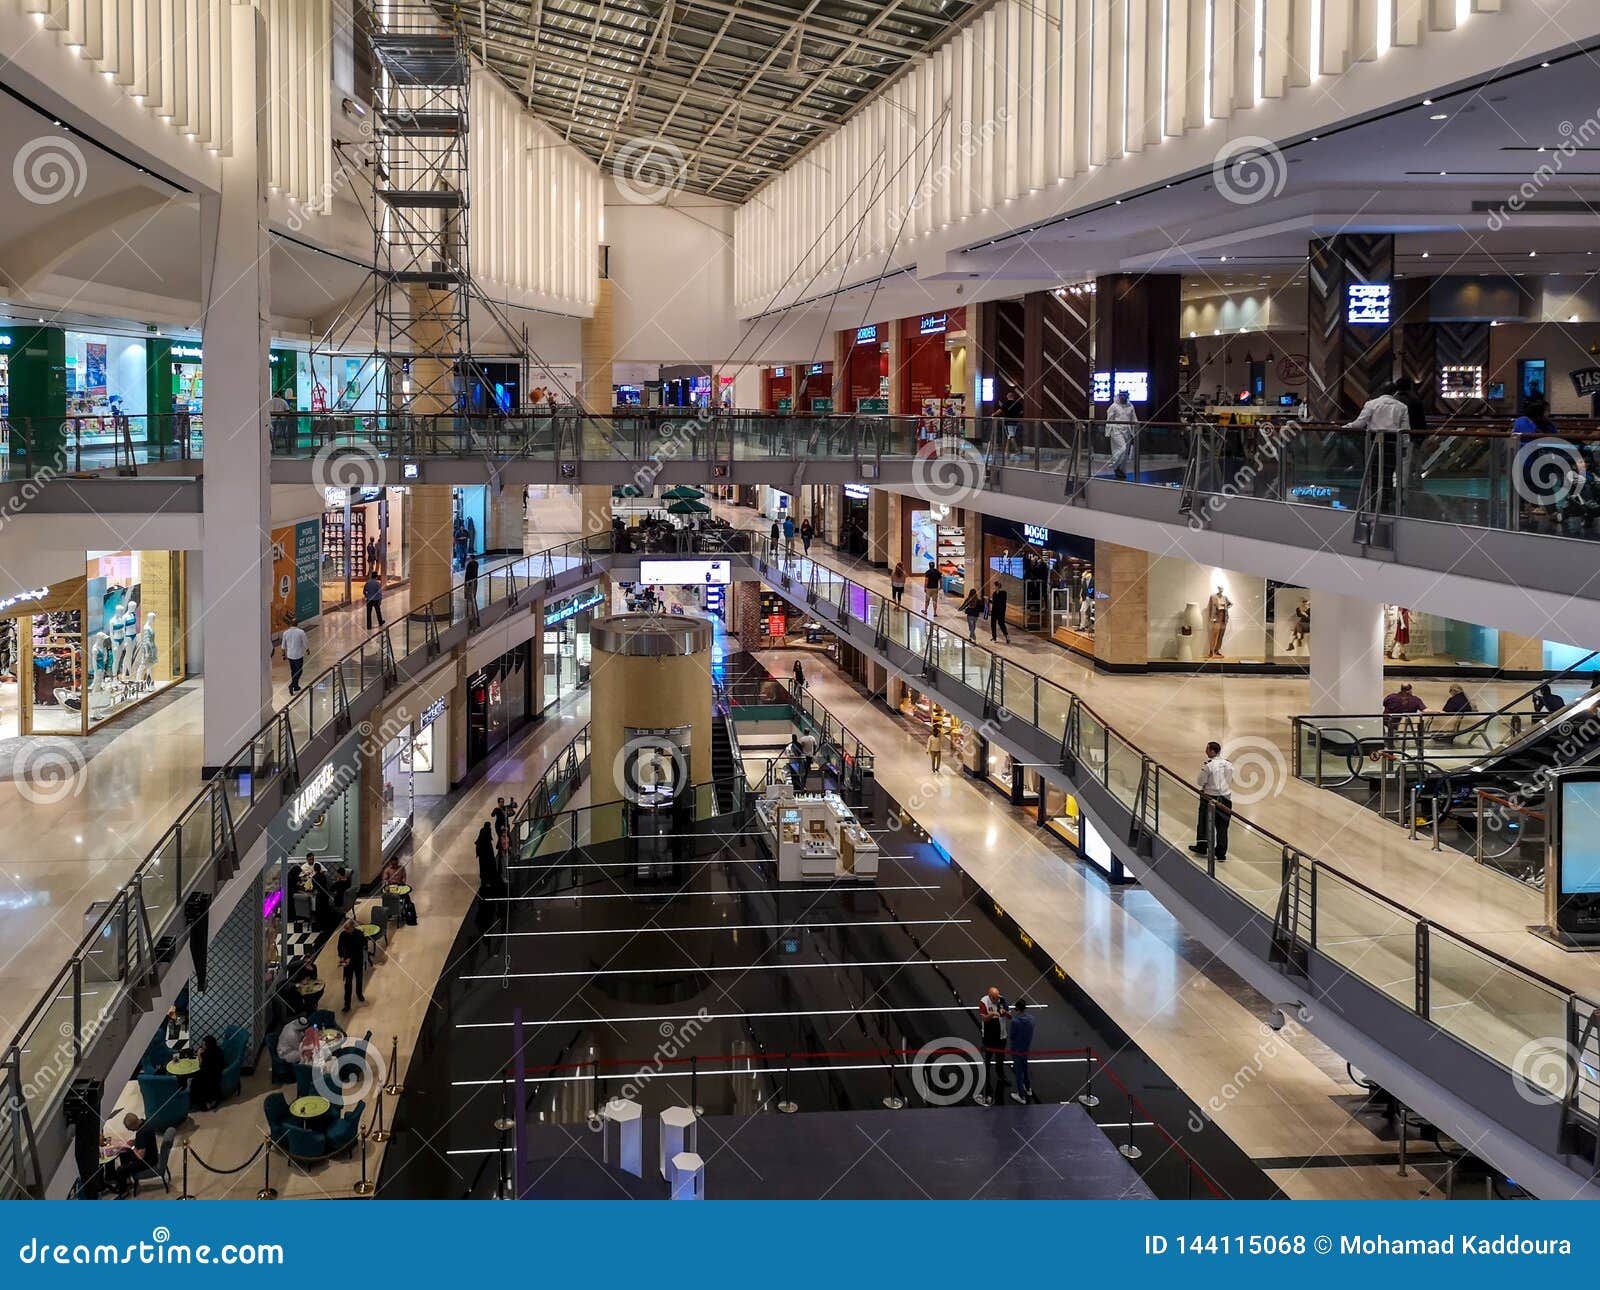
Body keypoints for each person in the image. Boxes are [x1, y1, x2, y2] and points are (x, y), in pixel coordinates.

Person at [1340, 381, 1410, 511]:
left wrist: (1343, 428)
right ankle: (1385, 503)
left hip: (1373, 442)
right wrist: (1404, 447)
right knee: (1388, 473)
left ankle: (1373, 501)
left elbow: (1359, 424)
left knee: (1373, 473)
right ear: (1395, 393)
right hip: (1392, 443)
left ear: (1381, 391)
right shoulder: (1402, 407)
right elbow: (1405, 430)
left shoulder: (1371, 404)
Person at [1190, 741, 1234, 863]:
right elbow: (1230, 779)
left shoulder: (1208, 766)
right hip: (1225, 799)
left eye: (1207, 749)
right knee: (1222, 827)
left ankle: (1202, 846)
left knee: (1204, 824)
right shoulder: (1229, 765)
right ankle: (1221, 853)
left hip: (1209, 798)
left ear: (1213, 751)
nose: (1206, 751)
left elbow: (1200, 781)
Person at [105, 1112, 158, 1196]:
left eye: (129, 1128)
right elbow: (144, 1142)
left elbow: (140, 1156)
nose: (129, 1130)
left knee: (120, 1170)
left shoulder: (142, 1132)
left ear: (133, 1125)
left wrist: (132, 1147)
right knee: (123, 1152)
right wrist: (134, 1142)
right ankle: (127, 1181)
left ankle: (123, 1191)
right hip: (151, 1153)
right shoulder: (145, 1123)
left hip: (148, 1161)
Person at [977, 986, 1008, 1103]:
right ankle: (986, 1081)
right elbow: (984, 1018)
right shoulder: (983, 1002)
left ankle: (1001, 1076)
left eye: (997, 997)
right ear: (989, 996)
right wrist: (993, 1014)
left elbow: (1008, 1014)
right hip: (989, 1037)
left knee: (1000, 1058)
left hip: (1001, 1035)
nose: (996, 1000)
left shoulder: (1002, 1000)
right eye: (994, 998)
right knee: (988, 1059)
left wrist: (1005, 1012)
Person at [1105, 388, 1138, 479]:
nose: (1122, 397)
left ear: (1127, 396)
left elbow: (1134, 418)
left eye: (1124, 395)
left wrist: (1135, 430)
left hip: (1127, 431)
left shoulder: (1130, 406)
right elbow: (1109, 419)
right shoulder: (1114, 406)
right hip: (1116, 431)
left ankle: (1121, 471)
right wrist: (1108, 432)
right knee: (1122, 449)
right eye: (1121, 395)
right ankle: (1114, 465)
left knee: (1125, 454)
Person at [337, 915, 367, 1012]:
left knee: (359, 978)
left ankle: (359, 994)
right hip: (347, 962)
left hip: (357, 960)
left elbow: (360, 949)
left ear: (352, 927)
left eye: (347, 928)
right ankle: (347, 1004)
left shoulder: (359, 934)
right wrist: (341, 957)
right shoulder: (342, 935)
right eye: (344, 928)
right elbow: (340, 947)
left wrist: (350, 958)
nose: (345, 930)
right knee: (348, 982)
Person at [1007, 999, 1035, 1103]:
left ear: (1017, 1008)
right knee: (1025, 1069)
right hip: (1026, 1048)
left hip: (1017, 1049)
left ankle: (1021, 1096)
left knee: (1019, 1073)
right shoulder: (1032, 1019)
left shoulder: (1015, 1021)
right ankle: (1028, 1088)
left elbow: (1012, 1036)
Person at [190, 1034, 225, 1111]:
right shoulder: (217, 1050)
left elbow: (202, 1067)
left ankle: (204, 1103)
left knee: (195, 1082)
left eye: (204, 1045)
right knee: (195, 1080)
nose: (202, 1046)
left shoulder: (208, 1055)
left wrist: (199, 1055)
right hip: (216, 1074)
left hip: (211, 1077)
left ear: (208, 1045)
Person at [278, 615, 308, 695]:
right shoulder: (301, 632)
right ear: (297, 624)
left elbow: (283, 645)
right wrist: (307, 649)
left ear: (290, 624)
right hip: (298, 655)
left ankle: (296, 686)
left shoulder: (285, 633)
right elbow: (305, 642)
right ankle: (292, 685)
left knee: (293, 671)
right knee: (299, 671)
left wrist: (283, 655)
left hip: (290, 655)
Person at [476, 821, 504, 900]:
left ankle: (485, 881)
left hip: (483, 857)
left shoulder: (482, 836)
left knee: (484, 869)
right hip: (487, 856)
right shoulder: (487, 838)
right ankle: (488, 881)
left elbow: (478, 845)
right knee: (488, 868)